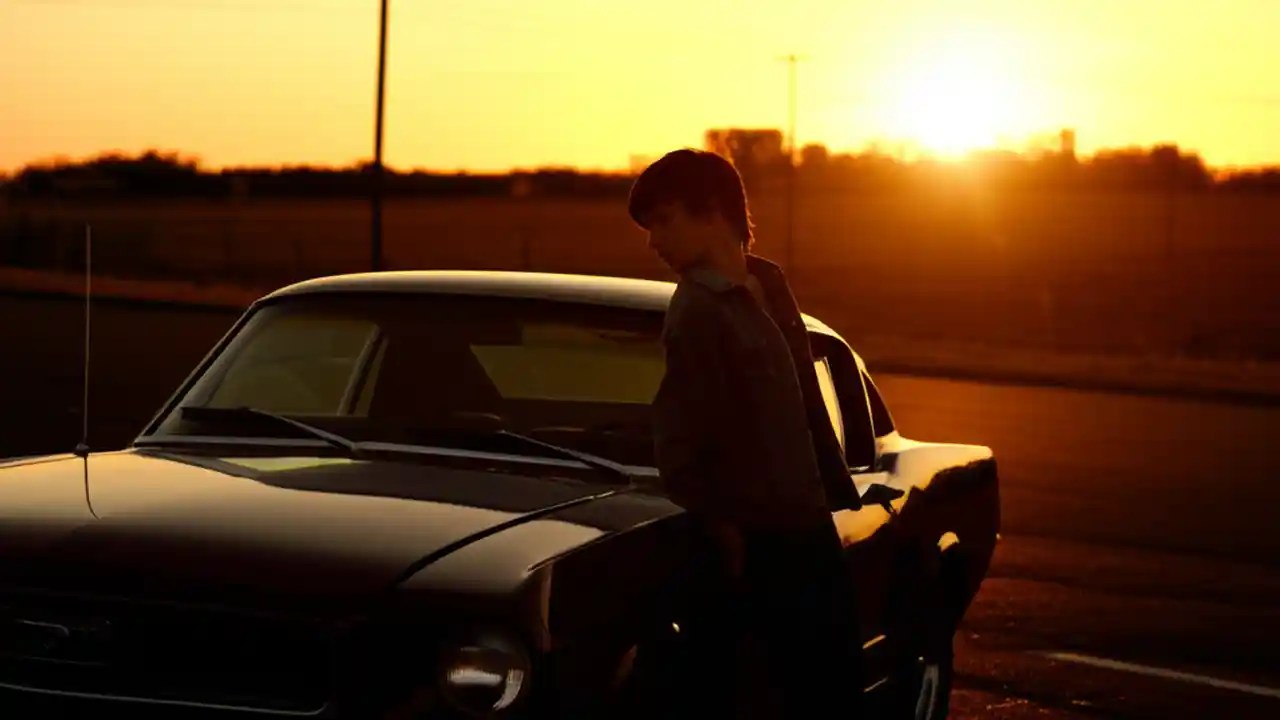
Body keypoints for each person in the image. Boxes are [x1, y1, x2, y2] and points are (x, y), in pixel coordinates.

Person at [627, 148, 865, 719]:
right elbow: (682, 434)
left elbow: (804, 407)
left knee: (832, 691)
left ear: (712, 210)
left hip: (810, 532)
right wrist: (722, 529)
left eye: (664, 220)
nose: (654, 242)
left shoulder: (769, 287)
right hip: (757, 547)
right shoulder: (698, 308)